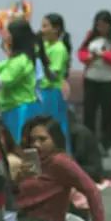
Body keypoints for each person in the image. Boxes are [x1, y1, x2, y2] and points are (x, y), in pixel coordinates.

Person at [16, 116, 107, 221]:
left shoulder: (60, 162)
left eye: (42, 139)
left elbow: (91, 189)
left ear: (55, 139)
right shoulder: (33, 162)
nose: (36, 144)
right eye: (33, 140)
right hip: (24, 218)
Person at [0, 19, 44, 143]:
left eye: (8, 33)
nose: (5, 36)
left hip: (20, 109)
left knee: (20, 145)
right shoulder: (13, 60)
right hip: (11, 108)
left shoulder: (21, 61)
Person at [76, 10, 111, 154]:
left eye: (104, 25)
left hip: (109, 81)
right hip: (91, 79)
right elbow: (80, 53)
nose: (101, 28)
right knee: (89, 113)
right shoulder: (91, 36)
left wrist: (105, 55)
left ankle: (106, 144)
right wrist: (89, 57)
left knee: (107, 114)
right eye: (98, 25)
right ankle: (88, 144)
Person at [38, 13, 73, 149]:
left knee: (53, 127)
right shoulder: (45, 45)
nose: (42, 30)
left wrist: (43, 60)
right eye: (42, 26)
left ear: (56, 29)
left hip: (52, 92)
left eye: (46, 26)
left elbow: (52, 75)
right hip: (42, 92)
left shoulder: (59, 49)